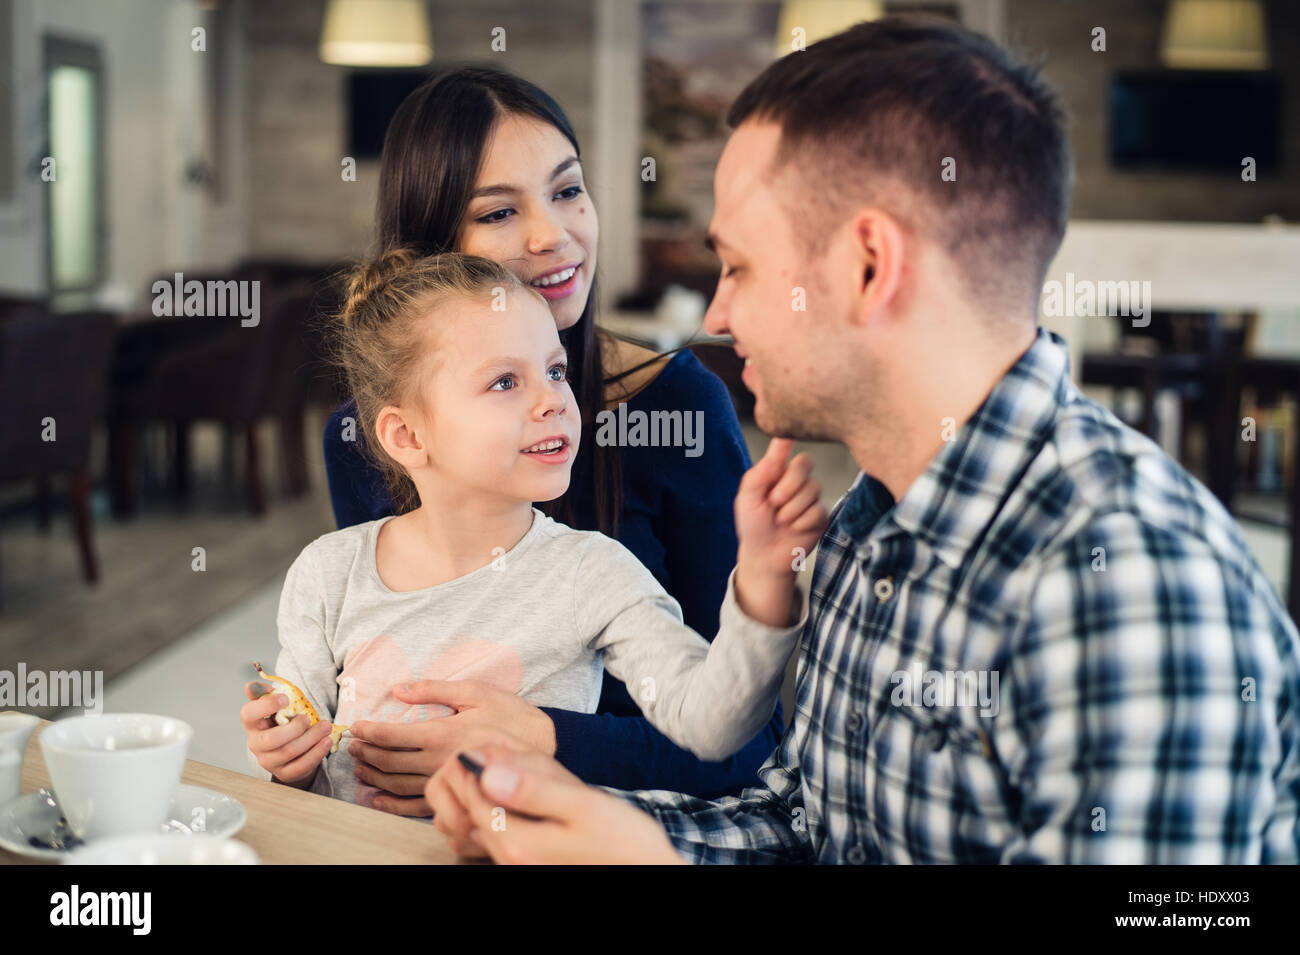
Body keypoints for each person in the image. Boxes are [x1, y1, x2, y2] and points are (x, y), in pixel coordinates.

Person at [425, 15, 1300, 864]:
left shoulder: (1132, 585)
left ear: (868, 267)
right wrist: (583, 825)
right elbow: (807, 825)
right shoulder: (858, 527)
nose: (720, 316)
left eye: (739, 267)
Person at [322, 67, 786, 815]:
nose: (553, 233)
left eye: (568, 191)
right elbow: (366, 684)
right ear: (433, 250)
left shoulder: (680, 409)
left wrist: (543, 738)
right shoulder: (364, 438)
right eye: (500, 212)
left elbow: (747, 739)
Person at [240, 249, 825, 809]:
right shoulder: (327, 574)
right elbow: (304, 758)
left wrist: (765, 588)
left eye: (555, 370)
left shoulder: (594, 574)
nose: (554, 400)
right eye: (505, 382)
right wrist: (286, 756)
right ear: (408, 437)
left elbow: (712, 725)